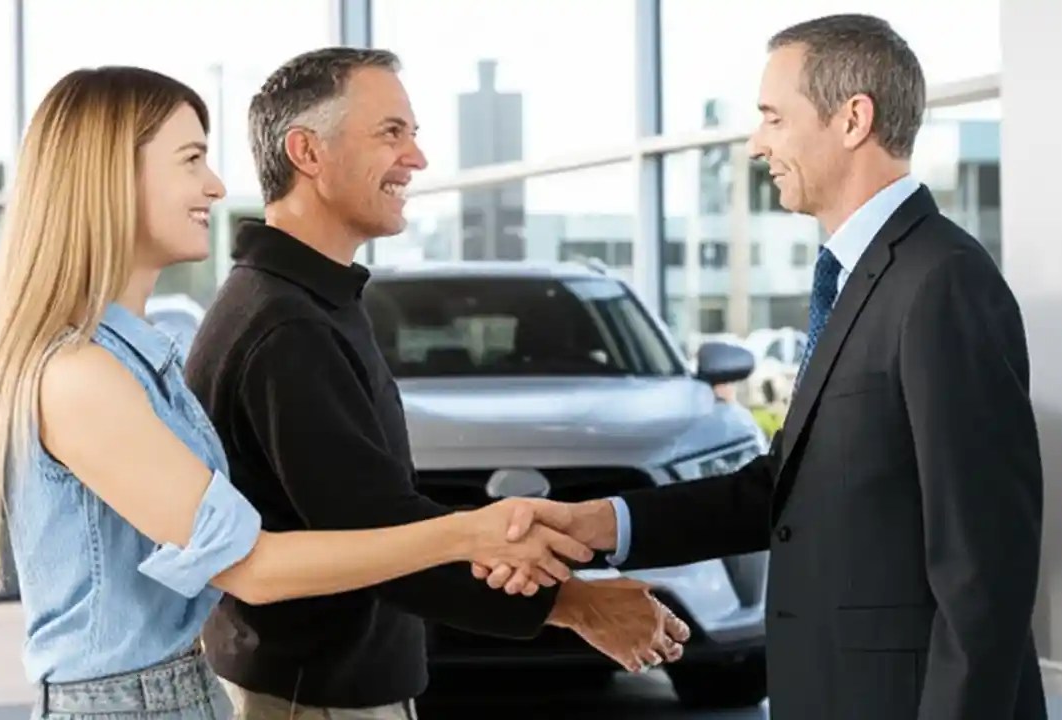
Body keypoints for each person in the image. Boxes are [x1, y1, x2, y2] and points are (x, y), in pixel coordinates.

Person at [0, 66, 600, 720]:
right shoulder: (82, 376)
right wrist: (469, 534)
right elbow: (253, 567)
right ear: (111, 176)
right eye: (191, 159)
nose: (216, 184)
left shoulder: (139, 356)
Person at [479, 13, 1048, 720]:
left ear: (852, 119)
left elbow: (985, 567)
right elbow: (785, 490)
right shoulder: (858, 278)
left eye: (773, 118)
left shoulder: (942, 282)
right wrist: (602, 522)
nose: (757, 144)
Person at [183, 47, 688, 719]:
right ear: (307, 151)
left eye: (413, 135)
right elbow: (378, 531)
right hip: (317, 697)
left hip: (325, 684)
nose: (416, 159)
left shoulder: (307, 301)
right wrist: (576, 604)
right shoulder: (286, 326)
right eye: (391, 133)